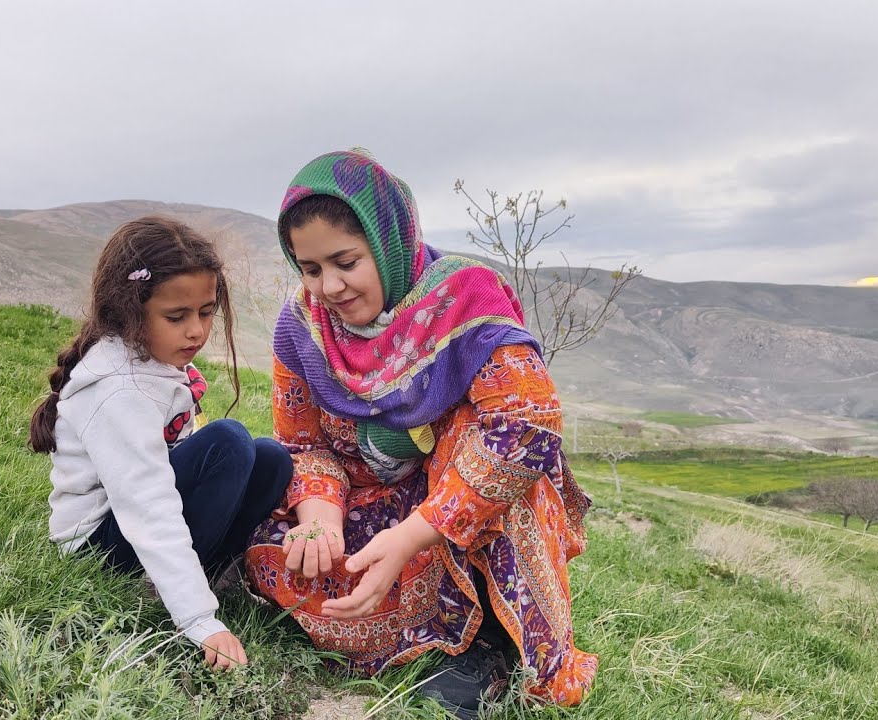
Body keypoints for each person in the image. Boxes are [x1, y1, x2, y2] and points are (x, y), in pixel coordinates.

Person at [245, 150, 597, 716]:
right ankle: (416, 621)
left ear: (388, 243)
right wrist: (320, 519)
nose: (329, 286)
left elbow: (528, 425)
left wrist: (414, 535)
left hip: (454, 510)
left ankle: (491, 646)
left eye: (345, 261)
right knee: (273, 549)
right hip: (370, 499)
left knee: (480, 438)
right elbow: (304, 444)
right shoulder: (302, 326)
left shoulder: (464, 299)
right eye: (310, 269)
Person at [29, 216, 291, 670]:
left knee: (269, 457)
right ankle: (167, 590)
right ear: (129, 311)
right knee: (228, 442)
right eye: (177, 317)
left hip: (136, 532)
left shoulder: (158, 360)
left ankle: (212, 575)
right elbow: (147, 502)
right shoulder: (118, 391)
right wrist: (198, 619)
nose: (197, 330)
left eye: (206, 312)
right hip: (100, 549)